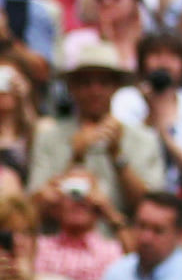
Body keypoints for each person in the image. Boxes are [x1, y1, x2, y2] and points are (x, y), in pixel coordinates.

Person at [27, 44, 163, 220]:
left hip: (120, 239)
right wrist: (74, 159)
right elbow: (33, 210)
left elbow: (150, 209)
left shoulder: (143, 139)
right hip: (60, 241)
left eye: (104, 83)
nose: (95, 91)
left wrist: (118, 156)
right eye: (85, 83)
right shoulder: (48, 138)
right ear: (72, 88)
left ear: (116, 87)